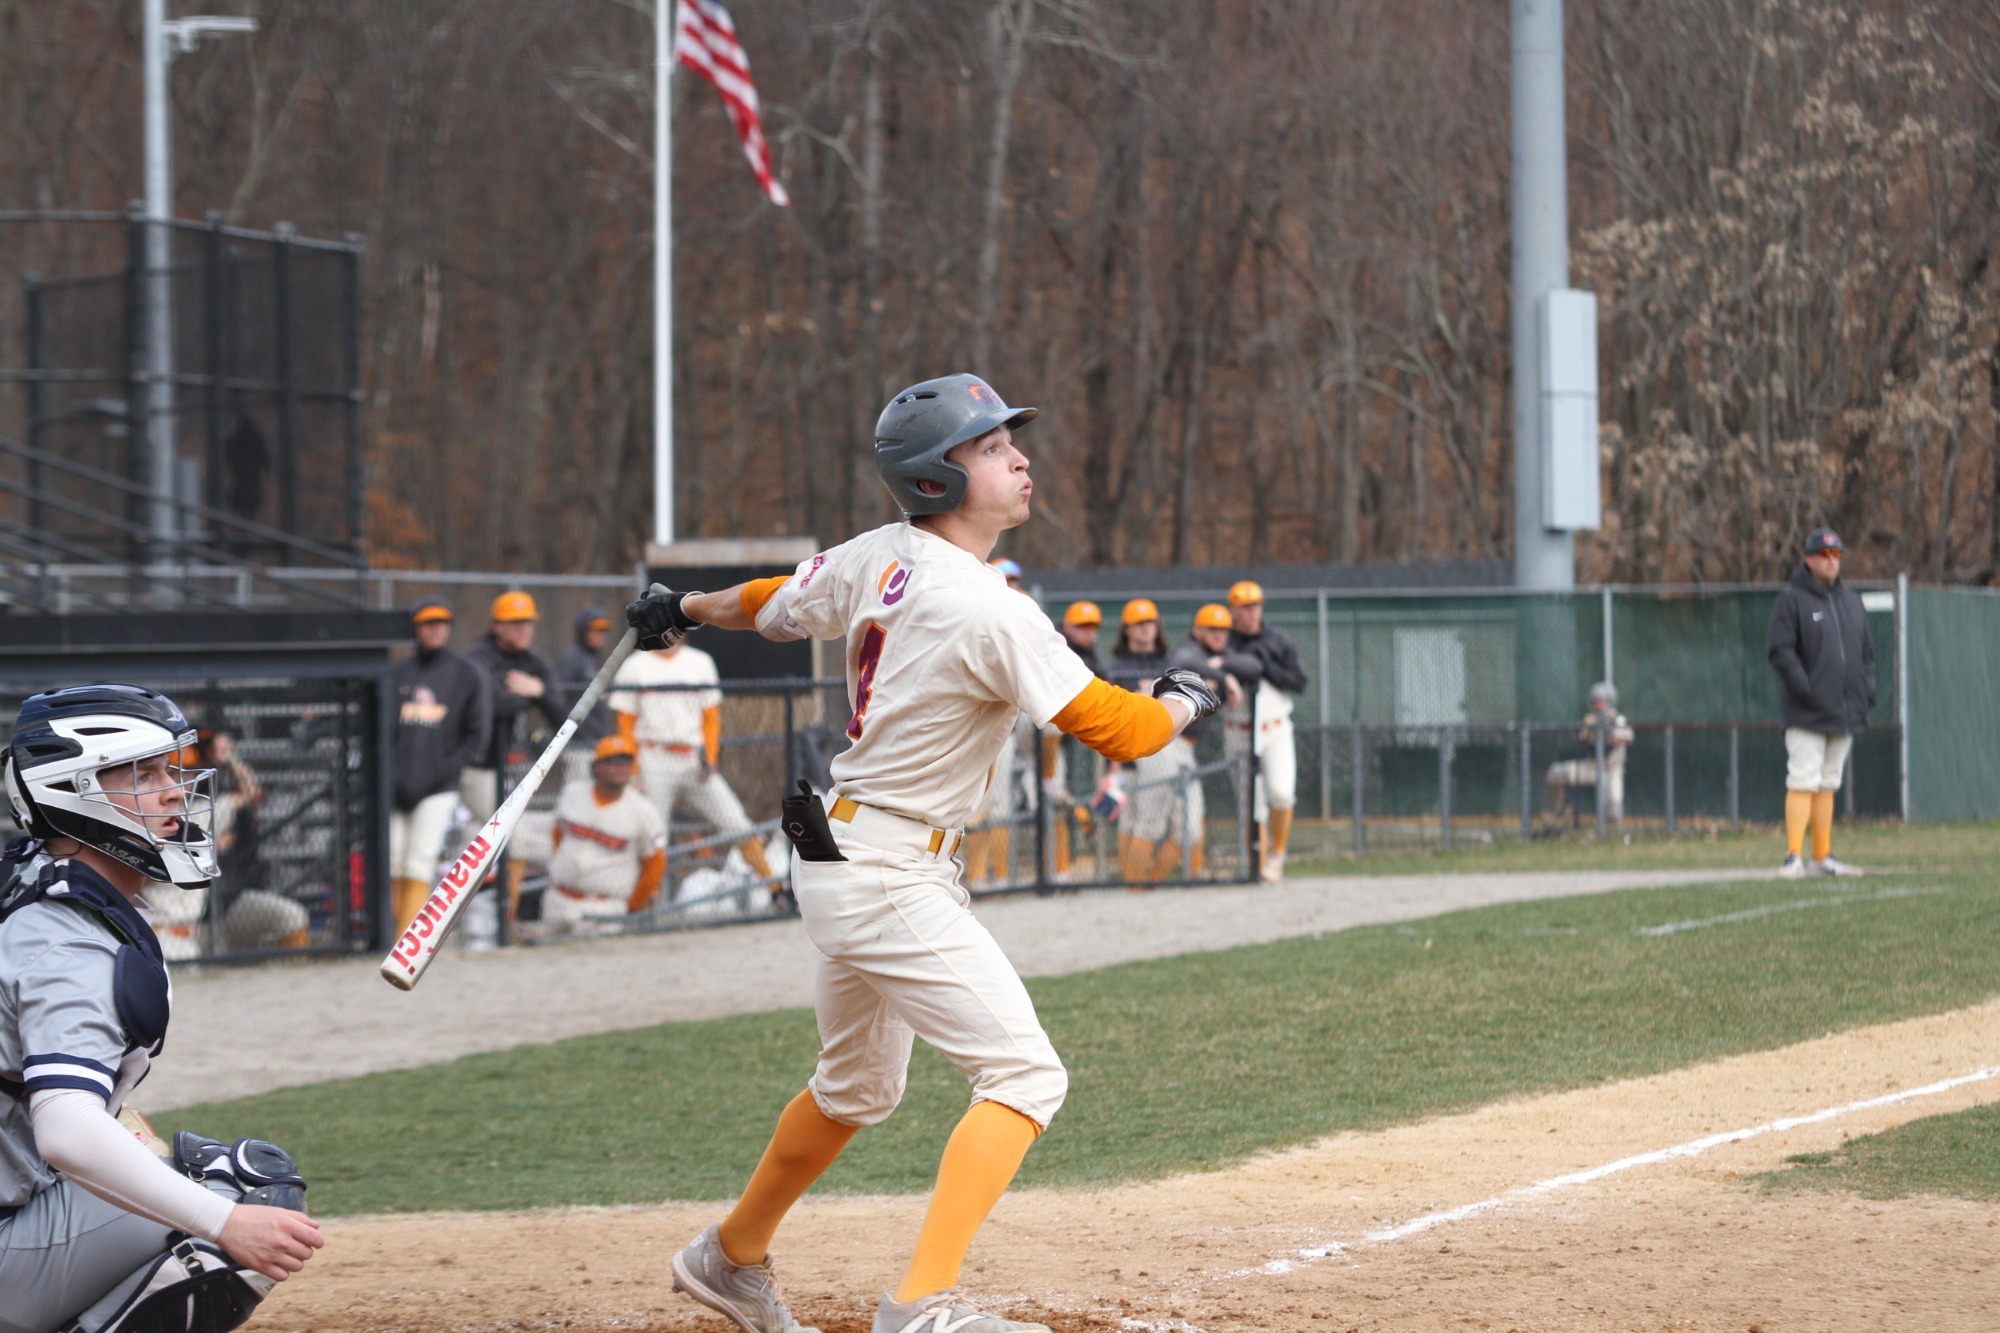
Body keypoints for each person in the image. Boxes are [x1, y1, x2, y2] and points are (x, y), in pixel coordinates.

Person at [624, 371, 1218, 1333]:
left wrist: (686, 608)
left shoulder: (883, 557)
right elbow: (1121, 729)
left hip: (846, 853)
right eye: (991, 447)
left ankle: (729, 1257)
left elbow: (778, 599)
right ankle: (920, 1307)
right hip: (888, 868)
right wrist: (1185, 699)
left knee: (857, 1088)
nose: (1019, 457)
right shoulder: (986, 606)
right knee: (1026, 1077)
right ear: (939, 478)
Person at [0, 684, 322, 1333]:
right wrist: (224, 1220)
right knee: (242, 1182)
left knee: (147, 1148)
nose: (175, 790)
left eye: (169, 770)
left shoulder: (31, 876)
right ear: (73, 790)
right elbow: (66, 1130)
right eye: (145, 774)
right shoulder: (65, 939)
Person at [608, 638, 779, 896]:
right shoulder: (634, 666)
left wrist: (710, 756)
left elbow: (711, 718)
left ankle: (775, 889)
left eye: (676, 623)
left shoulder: (700, 661)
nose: (670, 630)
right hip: (653, 756)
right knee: (654, 838)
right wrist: (633, 773)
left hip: (693, 756)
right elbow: (626, 725)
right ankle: (645, 908)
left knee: (737, 823)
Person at [1767, 527, 1875, 878]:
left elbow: (1866, 653)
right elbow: (1780, 651)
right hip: (1807, 711)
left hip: (1844, 710)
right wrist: (1806, 687)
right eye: (1824, 555)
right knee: (1802, 779)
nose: (1831, 561)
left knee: (1828, 783)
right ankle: (1793, 856)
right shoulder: (1792, 599)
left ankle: (1821, 856)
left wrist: (1866, 689)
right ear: (1808, 559)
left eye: (1836, 555)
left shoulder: (1851, 601)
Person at [389, 600, 492, 933]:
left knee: (419, 861)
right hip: (395, 787)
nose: (435, 628)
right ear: (416, 629)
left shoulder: (465, 673)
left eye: (441, 622)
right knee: (392, 862)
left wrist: (444, 768)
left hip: (439, 785)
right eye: (427, 623)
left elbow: (476, 736)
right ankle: (390, 932)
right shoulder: (397, 673)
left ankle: (405, 941)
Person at [1154, 604, 1258, 879]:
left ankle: (1151, 881)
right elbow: (1184, 662)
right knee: (1149, 824)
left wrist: (1223, 665)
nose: (1219, 636)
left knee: (1188, 823)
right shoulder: (1191, 651)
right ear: (1196, 630)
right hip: (1164, 744)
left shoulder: (1220, 656)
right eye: (1212, 630)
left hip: (1183, 747)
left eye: (1224, 630)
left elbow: (1254, 666)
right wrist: (1225, 677)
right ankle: (1137, 884)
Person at [1225, 581, 1309, 881]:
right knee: (1251, 804)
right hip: (1239, 728)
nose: (1251, 612)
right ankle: (1258, 864)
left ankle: (1278, 854)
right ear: (1233, 610)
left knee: (1281, 793)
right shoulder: (1225, 640)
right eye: (1244, 607)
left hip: (1274, 728)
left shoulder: (1277, 639)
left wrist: (1264, 666)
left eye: (1255, 606)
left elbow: (1299, 681)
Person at [461, 591, 567, 827]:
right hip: (467, 765)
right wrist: (533, 696)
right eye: (516, 623)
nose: (524, 629)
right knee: (506, 832)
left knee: (487, 835)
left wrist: (538, 691)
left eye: (528, 623)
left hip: (496, 764)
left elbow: (562, 714)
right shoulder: (478, 656)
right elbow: (493, 706)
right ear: (497, 626)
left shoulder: (532, 659)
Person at [544, 736, 667, 931]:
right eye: (612, 761)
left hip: (604, 907)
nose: (620, 767)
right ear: (596, 767)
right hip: (558, 900)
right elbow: (558, 835)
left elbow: (655, 865)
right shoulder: (573, 793)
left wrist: (633, 904)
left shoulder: (644, 811)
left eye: (625, 761)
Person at [1107, 599, 1171, 884]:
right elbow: (1109, 717)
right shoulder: (1116, 668)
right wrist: (1114, 765)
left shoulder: (1166, 664)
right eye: (1140, 623)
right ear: (1127, 630)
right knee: (1128, 819)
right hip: (1123, 752)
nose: (1147, 628)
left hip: (1160, 751)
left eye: (1151, 622)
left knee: (1150, 820)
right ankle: (1131, 883)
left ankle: (1142, 882)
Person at [1544, 682, 1635, 825]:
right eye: (1595, 702)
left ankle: (1606, 836)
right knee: (1555, 773)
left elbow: (1626, 737)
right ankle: (1557, 813)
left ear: (1610, 702)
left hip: (1611, 771)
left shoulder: (1618, 720)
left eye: (1601, 701)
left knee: (1614, 814)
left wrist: (1607, 729)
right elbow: (1581, 739)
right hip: (1592, 767)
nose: (1598, 705)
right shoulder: (1590, 721)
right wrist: (1587, 733)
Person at [555, 607, 617, 789]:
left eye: (603, 631)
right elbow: (557, 696)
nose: (600, 635)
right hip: (579, 745)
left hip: (592, 742)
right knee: (576, 792)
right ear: (583, 631)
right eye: (595, 630)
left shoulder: (589, 659)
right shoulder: (573, 658)